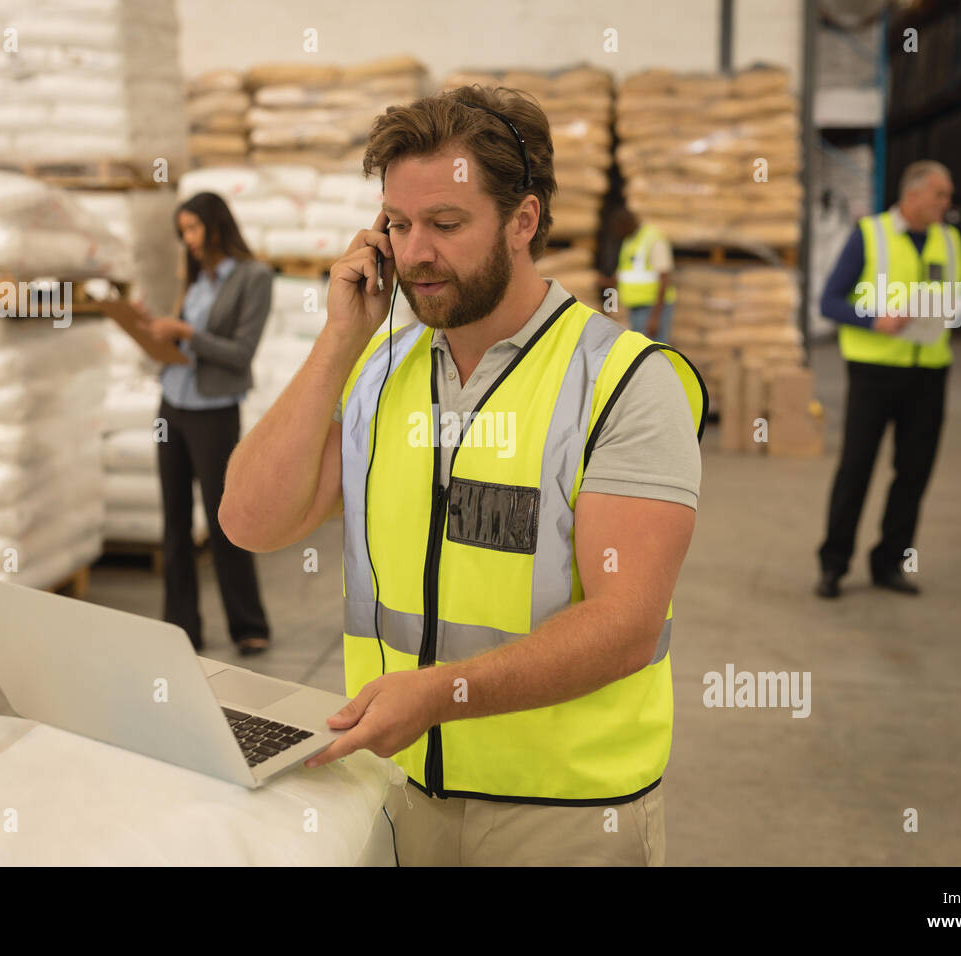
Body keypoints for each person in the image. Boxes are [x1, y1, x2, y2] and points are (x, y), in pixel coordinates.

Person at [219, 86, 705, 866]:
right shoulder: (379, 372)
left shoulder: (624, 382)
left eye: (446, 225)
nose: (414, 254)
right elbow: (249, 521)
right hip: (390, 795)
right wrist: (340, 341)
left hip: (562, 817)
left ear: (524, 220)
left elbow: (627, 624)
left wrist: (443, 694)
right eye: (398, 225)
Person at [815, 160, 961, 599]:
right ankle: (833, 564)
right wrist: (874, 320)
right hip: (873, 373)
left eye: (947, 195)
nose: (947, 203)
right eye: (940, 194)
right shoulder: (869, 235)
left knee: (913, 473)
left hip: (928, 375)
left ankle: (890, 563)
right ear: (912, 196)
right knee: (856, 469)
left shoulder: (950, 242)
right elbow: (829, 301)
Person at [143, 192, 272, 653]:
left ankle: (248, 625)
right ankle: (181, 628)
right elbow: (185, 343)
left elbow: (240, 353)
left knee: (225, 520)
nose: (188, 239)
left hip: (214, 411)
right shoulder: (195, 279)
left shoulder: (253, 278)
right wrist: (157, 333)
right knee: (174, 523)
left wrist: (187, 334)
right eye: (183, 232)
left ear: (217, 226)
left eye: (194, 229)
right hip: (173, 405)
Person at [599, 207, 677, 342]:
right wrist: (607, 283)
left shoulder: (653, 238)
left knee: (655, 353)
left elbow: (664, 278)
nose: (617, 233)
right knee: (640, 351)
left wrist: (655, 318)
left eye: (618, 228)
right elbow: (626, 274)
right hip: (635, 308)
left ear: (626, 224)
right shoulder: (629, 241)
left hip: (652, 308)